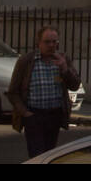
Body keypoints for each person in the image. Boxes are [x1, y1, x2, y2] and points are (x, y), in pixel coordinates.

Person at [7, 26, 81, 158]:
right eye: (47, 42)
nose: (51, 45)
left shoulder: (63, 59)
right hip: (34, 115)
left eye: (54, 42)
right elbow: (13, 92)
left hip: (55, 115)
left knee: (50, 154)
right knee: (37, 155)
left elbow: (75, 86)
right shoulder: (26, 61)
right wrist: (25, 113)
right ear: (38, 43)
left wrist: (64, 68)